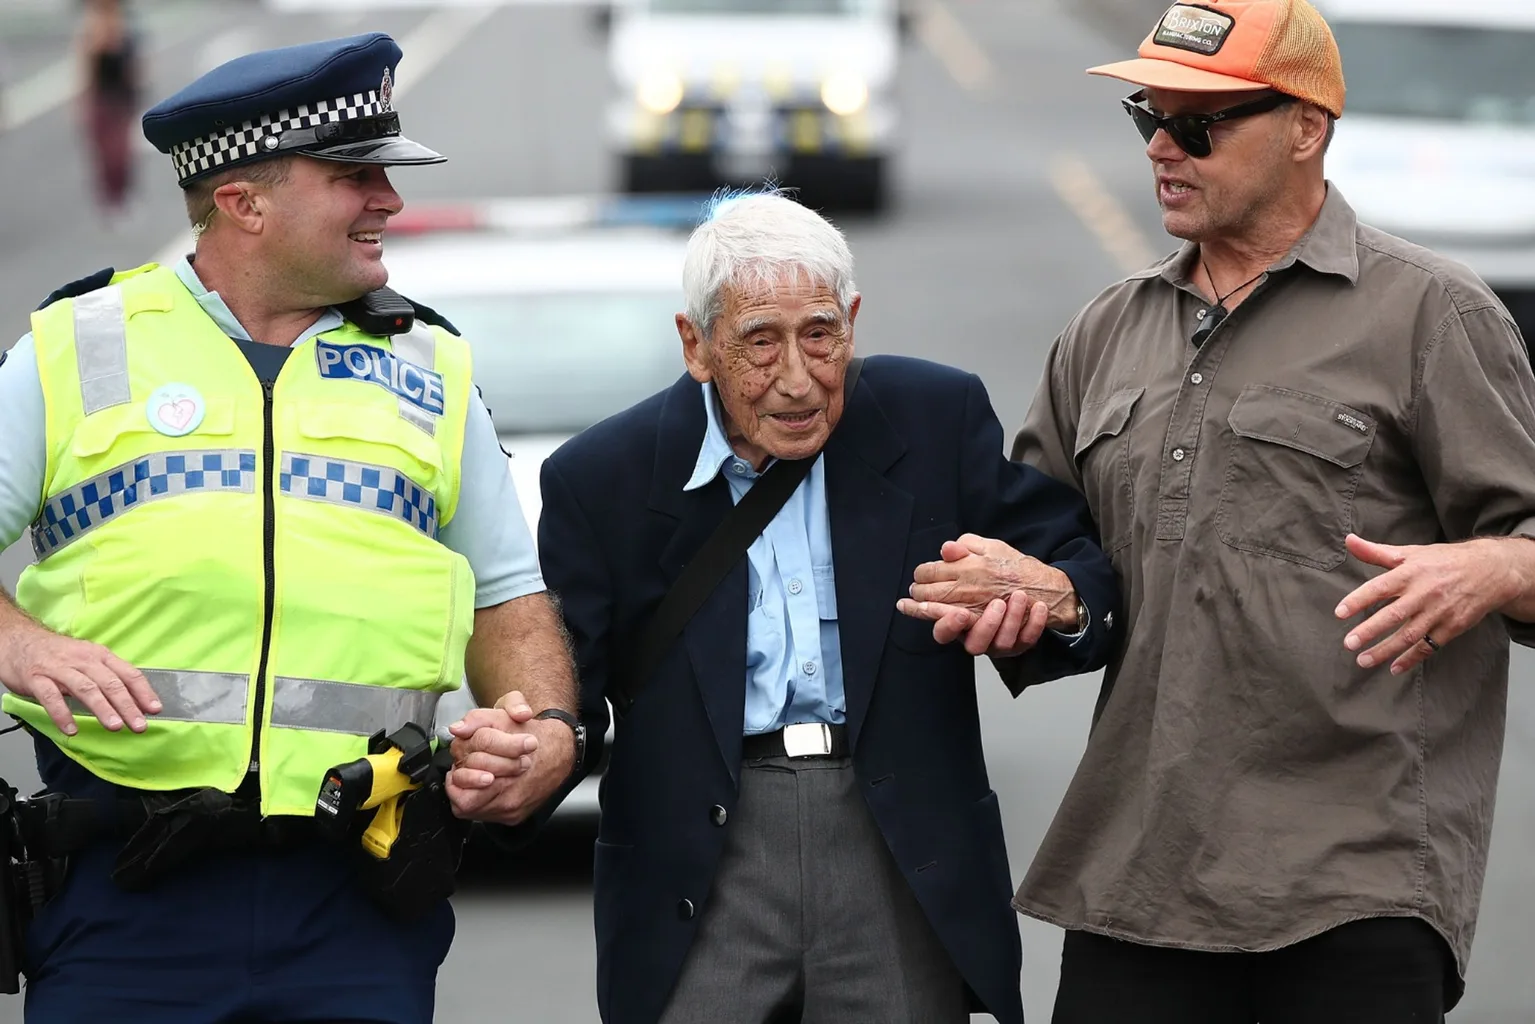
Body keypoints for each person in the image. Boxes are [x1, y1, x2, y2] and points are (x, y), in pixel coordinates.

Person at [898, 1, 1535, 1021]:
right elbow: (1054, 563)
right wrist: (1030, 592)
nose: (1161, 145)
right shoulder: (1103, 333)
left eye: (1197, 123)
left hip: (1352, 886)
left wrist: (1495, 567)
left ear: (1303, 128)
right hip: (1135, 880)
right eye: (1148, 114)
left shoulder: (1430, 314)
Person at [0, 33, 580, 1022]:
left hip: (354, 900)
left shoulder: (430, 367)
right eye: (355, 176)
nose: (387, 202)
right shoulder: (73, 346)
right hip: (124, 898)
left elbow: (506, 595)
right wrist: (18, 637)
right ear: (242, 201)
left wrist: (550, 733)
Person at [512, 189, 1120, 1024]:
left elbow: (1076, 572)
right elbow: (568, 692)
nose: (797, 380)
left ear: (852, 323)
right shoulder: (600, 480)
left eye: (819, 335)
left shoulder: (930, 419)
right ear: (696, 346)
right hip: (700, 864)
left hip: (894, 846)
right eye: (759, 343)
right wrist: (532, 747)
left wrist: (1054, 600)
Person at [77, 0, 140, 219]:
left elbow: (134, 67)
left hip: (121, 99)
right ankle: (109, 198)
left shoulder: (126, 30)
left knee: (121, 152)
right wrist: (83, 100)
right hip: (103, 100)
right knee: (105, 153)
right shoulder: (92, 31)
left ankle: (121, 194)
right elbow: (87, 70)